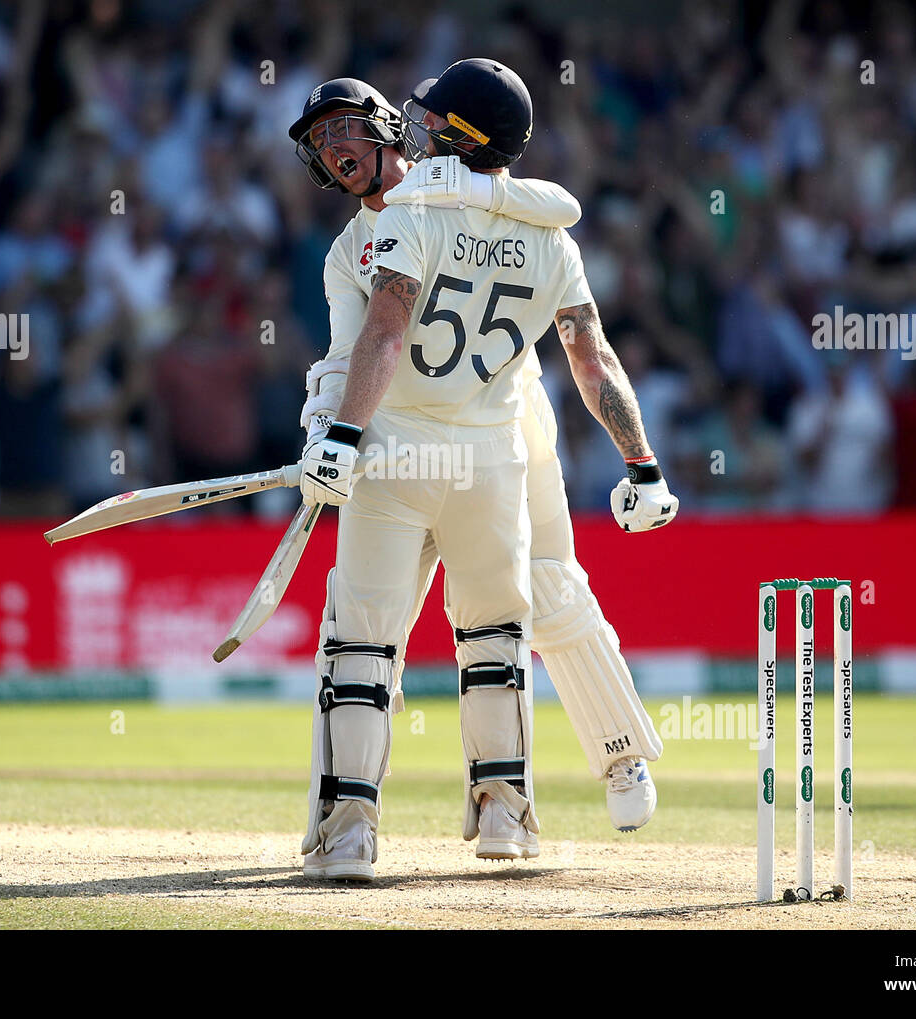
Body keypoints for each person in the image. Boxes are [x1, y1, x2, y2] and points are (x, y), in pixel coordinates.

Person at [291, 61, 679, 881]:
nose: (340, 147)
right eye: (322, 140)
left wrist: (344, 430)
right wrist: (324, 419)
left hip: (471, 422)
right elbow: (348, 347)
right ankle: (505, 808)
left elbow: (388, 327)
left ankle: (611, 762)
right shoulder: (541, 225)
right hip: (476, 441)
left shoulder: (423, 212)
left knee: (524, 596)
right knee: (490, 624)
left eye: (348, 128)